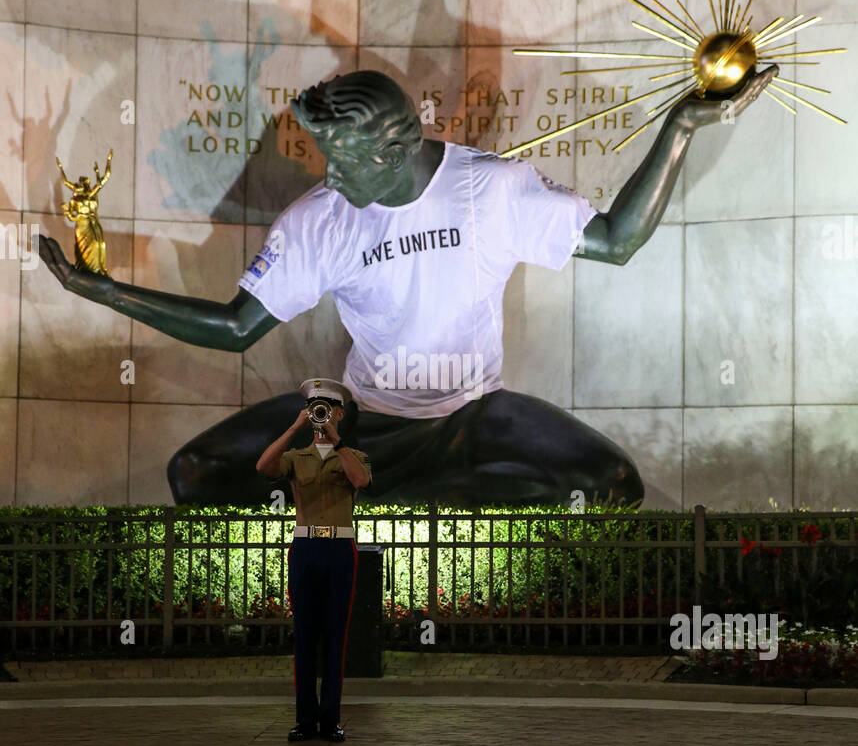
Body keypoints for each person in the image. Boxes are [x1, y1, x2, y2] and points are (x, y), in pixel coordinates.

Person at [38, 64, 776, 507]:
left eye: (344, 160)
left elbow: (617, 242)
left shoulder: (493, 191)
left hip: (472, 416)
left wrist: (681, 125)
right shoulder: (319, 221)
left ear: (394, 151)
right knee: (194, 472)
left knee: (611, 482)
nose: (330, 175)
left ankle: (368, 507)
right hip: (360, 420)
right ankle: (384, 502)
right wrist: (106, 292)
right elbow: (236, 328)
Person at [256, 378, 371, 742]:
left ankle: (330, 719)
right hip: (305, 549)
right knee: (305, 637)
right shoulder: (296, 457)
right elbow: (263, 466)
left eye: (328, 411)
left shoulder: (352, 455)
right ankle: (305, 719)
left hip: (339, 550)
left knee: (336, 637)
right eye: (316, 410)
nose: (322, 416)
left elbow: (361, 480)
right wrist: (295, 427)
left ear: (339, 413)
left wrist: (337, 440)